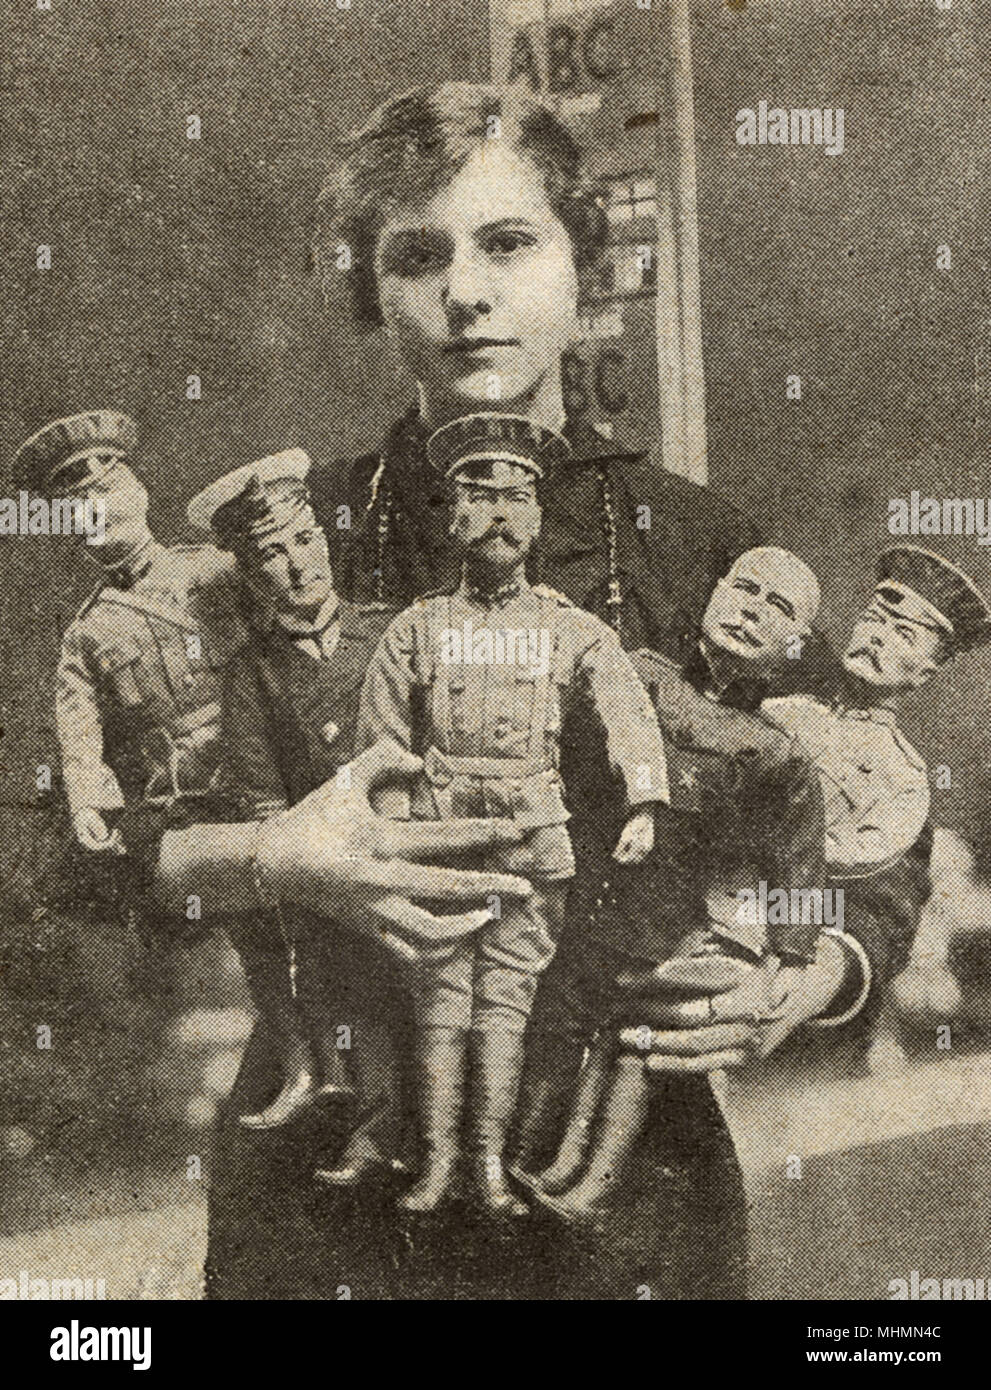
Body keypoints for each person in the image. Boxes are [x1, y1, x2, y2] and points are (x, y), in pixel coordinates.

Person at [134, 83, 885, 1299]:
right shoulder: (273, 544)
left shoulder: (700, 547)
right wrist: (268, 853)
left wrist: (805, 976)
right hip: (326, 1218)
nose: (465, 293)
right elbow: (58, 843)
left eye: (507, 242)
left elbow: (855, 811)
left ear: (583, 263)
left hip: (629, 1215)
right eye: (417, 256)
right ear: (369, 292)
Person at [356, 412, 669, 1216]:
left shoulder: (571, 629)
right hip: (440, 839)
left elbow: (627, 714)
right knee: (437, 997)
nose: (498, 512)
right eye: (478, 494)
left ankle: (489, 1166)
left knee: (506, 1001)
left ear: (537, 518)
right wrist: (391, 838)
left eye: (516, 499)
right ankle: (434, 1166)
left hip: (532, 842)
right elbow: (382, 745)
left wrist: (642, 800)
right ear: (450, 513)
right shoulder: (416, 629)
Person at [512, 547, 831, 1224]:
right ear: (715, 592)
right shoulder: (635, 672)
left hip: (667, 923)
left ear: (794, 646)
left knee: (640, 1045)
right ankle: (517, 1165)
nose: (751, 609)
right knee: (553, 1025)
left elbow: (797, 859)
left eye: (776, 607)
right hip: (577, 894)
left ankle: (584, 1187)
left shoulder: (777, 753)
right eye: (744, 588)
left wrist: (792, 957)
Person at [187, 449, 402, 1153]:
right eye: (273, 555)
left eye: (306, 541)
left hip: (411, 844)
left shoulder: (392, 632)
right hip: (325, 877)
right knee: (336, 981)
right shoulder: (252, 675)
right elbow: (259, 801)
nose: (299, 565)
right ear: (251, 576)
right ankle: (359, 1115)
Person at [13, 409, 239, 933]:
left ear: (134, 493)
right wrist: (90, 804)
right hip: (183, 800)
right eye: (77, 514)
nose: (92, 521)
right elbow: (80, 738)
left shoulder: (214, 568)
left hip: (260, 763)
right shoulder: (87, 634)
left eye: (102, 499)